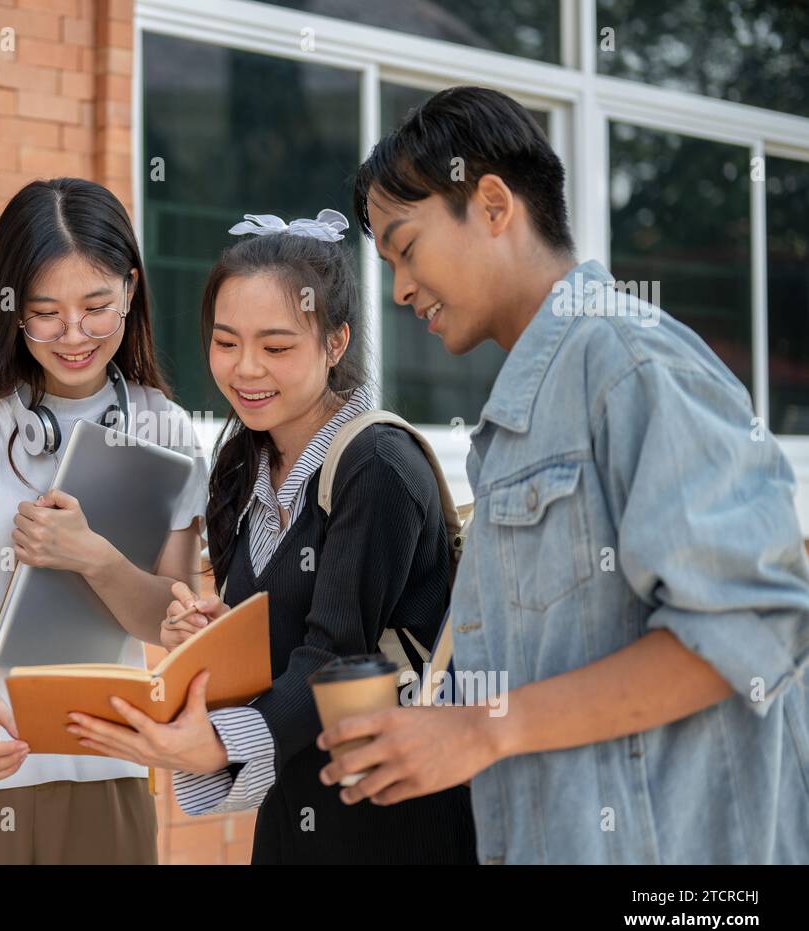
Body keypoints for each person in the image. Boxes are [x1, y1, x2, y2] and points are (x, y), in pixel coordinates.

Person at [324, 85, 809, 863]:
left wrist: (484, 729)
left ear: (491, 204)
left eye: (405, 248)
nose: (400, 288)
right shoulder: (526, 409)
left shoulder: (624, 360)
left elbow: (752, 624)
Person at [67, 210, 477, 863]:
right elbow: (279, 654)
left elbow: (333, 654)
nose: (245, 369)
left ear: (335, 344)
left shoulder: (376, 467)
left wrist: (216, 742)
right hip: (294, 815)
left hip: (398, 822)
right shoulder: (237, 471)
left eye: (277, 347)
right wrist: (214, 637)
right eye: (226, 342)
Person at [0, 177, 209, 864]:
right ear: (10, 308)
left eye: (96, 306)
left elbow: (167, 622)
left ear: (131, 290)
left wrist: (94, 557)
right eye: (45, 312)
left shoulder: (163, 428)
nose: (75, 334)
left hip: (102, 766)